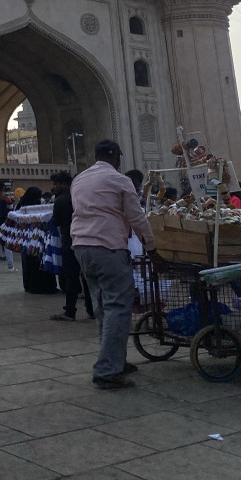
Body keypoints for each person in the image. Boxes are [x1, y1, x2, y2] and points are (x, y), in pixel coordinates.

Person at [71, 139, 160, 390]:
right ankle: (108, 370)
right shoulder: (120, 180)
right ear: (114, 157)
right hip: (108, 247)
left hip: (82, 247)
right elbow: (137, 218)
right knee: (118, 307)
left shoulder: (79, 179)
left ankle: (113, 360)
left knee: (103, 307)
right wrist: (152, 248)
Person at [50, 171, 93, 322]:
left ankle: (70, 311)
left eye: (56, 184)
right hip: (85, 238)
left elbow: (56, 222)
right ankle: (92, 309)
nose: (54, 187)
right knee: (87, 276)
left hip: (69, 239)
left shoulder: (61, 199)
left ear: (64, 184)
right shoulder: (81, 196)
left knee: (71, 277)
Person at [16, 186, 59, 294]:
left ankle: (29, 286)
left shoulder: (20, 207)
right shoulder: (37, 208)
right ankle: (42, 287)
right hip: (38, 240)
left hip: (25, 240)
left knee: (28, 263)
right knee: (40, 263)